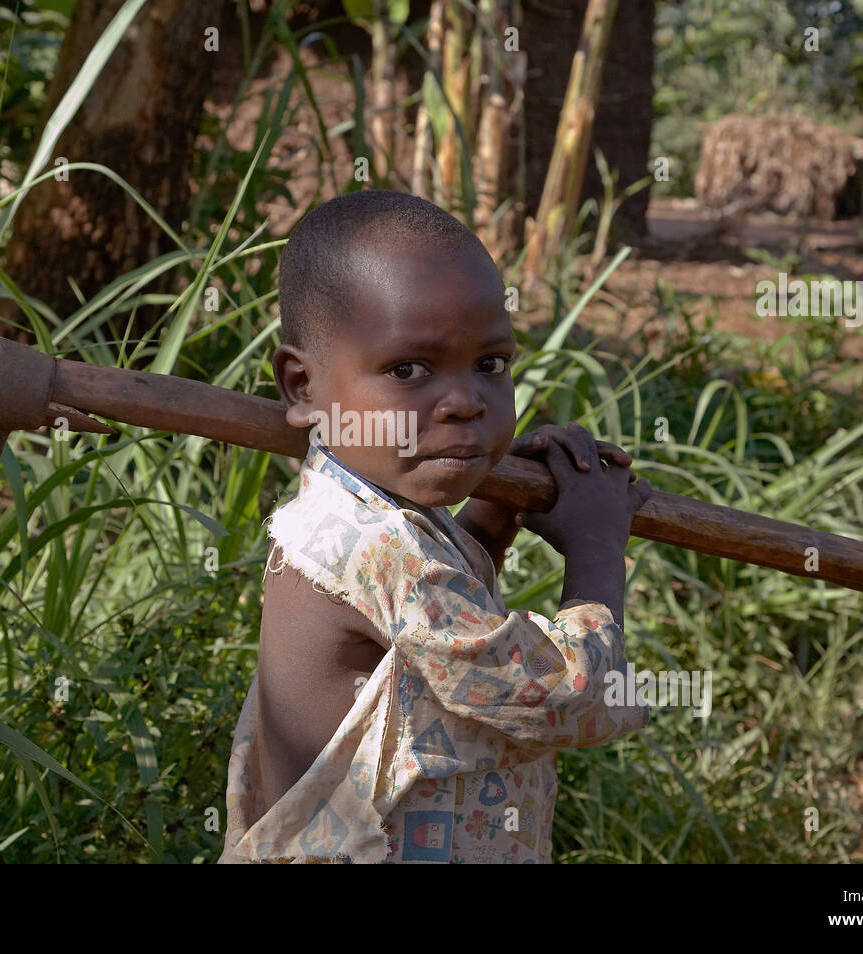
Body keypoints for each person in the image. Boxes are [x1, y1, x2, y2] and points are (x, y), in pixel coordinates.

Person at [219, 189, 653, 863]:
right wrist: (598, 547)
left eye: (491, 365)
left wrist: (491, 517)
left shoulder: (351, 514)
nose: (463, 403)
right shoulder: (383, 549)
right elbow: (560, 698)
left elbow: (424, 637)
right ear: (302, 388)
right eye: (409, 370)